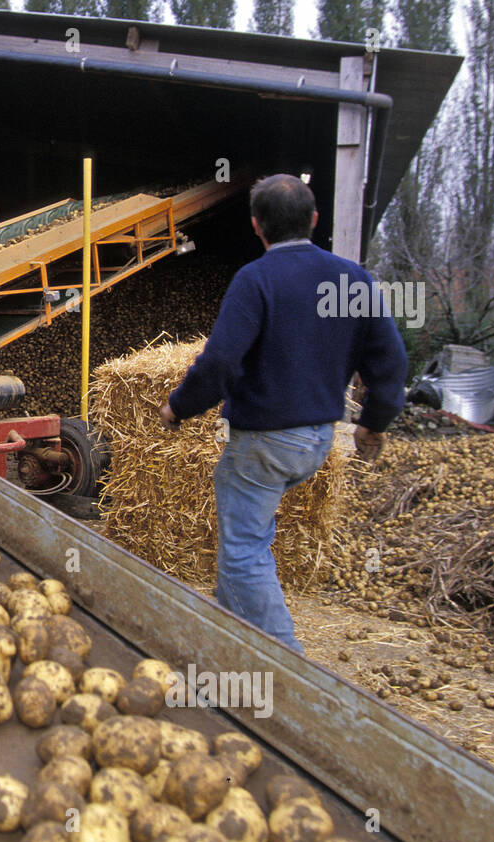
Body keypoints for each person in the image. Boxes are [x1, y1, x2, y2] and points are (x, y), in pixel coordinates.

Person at [159, 174, 408, 653]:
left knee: (244, 550)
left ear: (257, 226)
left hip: (266, 440)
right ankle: (232, 645)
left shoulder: (256, 279)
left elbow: (221, 361)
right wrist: (374, 422)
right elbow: (391, 362)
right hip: (316, 439)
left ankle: (287, 666)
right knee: (244, 537)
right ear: (313, 220)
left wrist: (179, 406)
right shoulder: (353, 279)